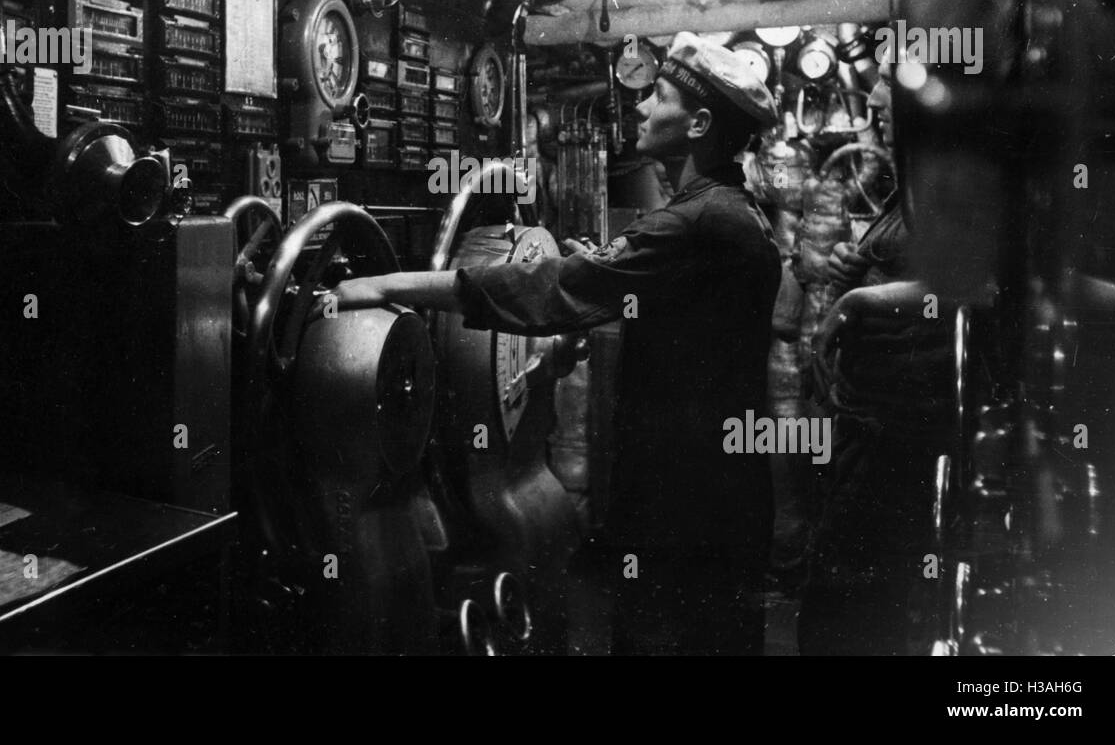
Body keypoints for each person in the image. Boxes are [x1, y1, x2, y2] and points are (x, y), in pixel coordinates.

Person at [329, 33, 782, 654]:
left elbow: (545, 289)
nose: (643, 108)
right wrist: (601, 282)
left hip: (684, 509)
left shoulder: (699, 221)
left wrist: (384, 285)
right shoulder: (727, 209)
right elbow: (659, 300)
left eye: (660, 97)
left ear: (699, 123)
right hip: (712, 496)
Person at [798, 57, 956, 655]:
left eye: (889, 86)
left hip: (902, 433)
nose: (877, 102)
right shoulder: (909, 187)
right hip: (872, 424)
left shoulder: (946, 180)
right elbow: (915, 268)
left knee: (846, 612)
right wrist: (858, 263)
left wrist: (859, 299)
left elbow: (984, 283)